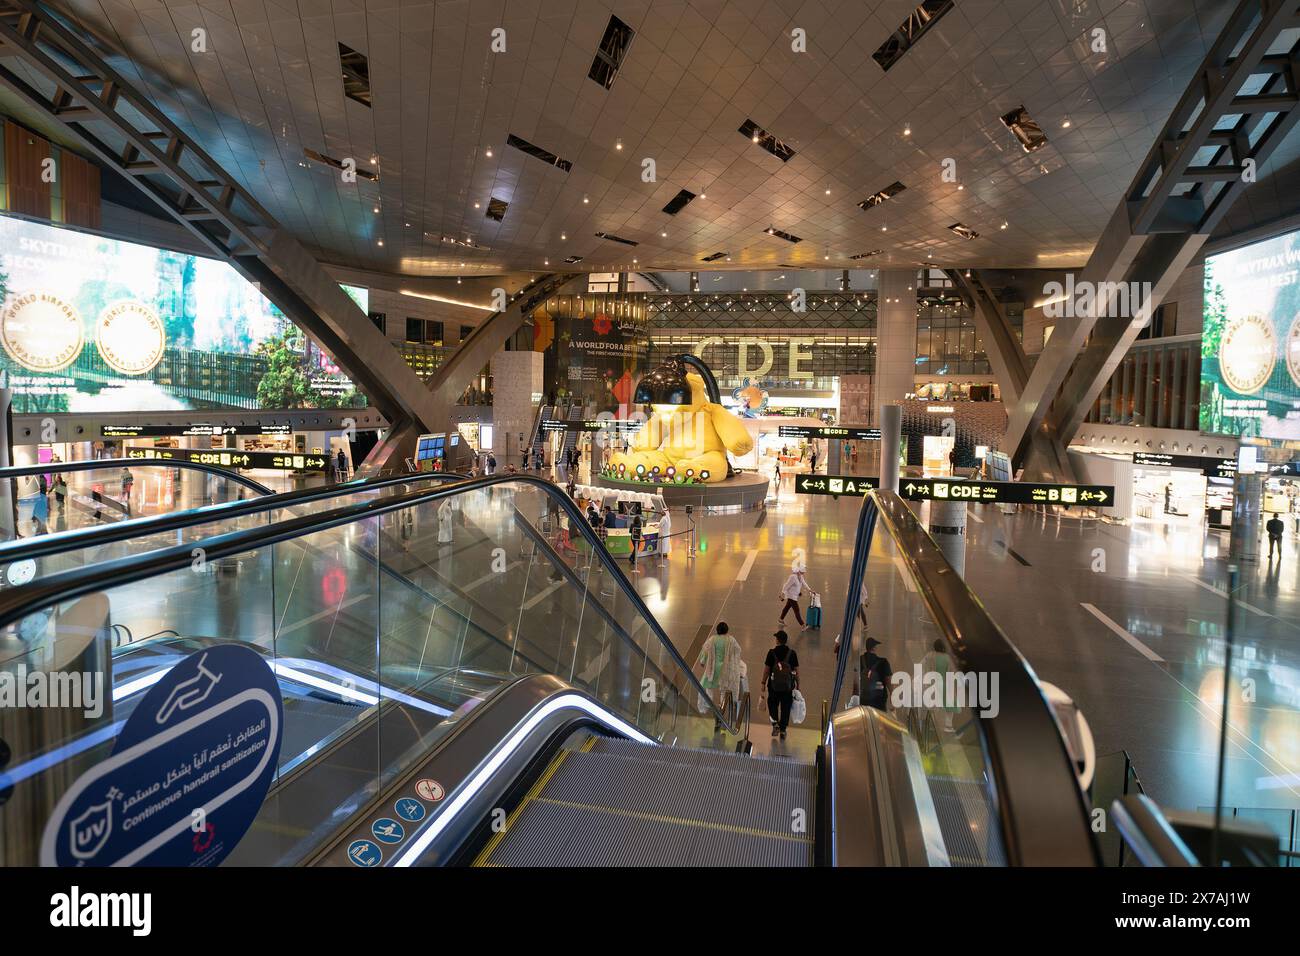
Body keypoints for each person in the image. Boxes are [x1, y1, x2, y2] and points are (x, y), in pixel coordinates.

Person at [695, 622, 742, 732]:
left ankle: (709, 703)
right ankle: (722, 708)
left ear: (717, 630)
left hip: (713, 668)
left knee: (707, 685)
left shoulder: (712, 639)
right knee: (723, 690)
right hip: (725, 669)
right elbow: (738, 650)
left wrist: (702, 661)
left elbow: (705, 650)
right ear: (727, 630)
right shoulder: (731, 640)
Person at [761, 630, 799, 740]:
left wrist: (763, 682)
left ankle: (775, 724)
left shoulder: (771, 652)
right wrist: (798, 685)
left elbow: (767, 670)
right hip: (788, 687)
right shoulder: (792, 653)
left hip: (773, 686)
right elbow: (796, 671)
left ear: (777, 640)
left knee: (772, 704)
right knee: (786, 707)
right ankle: (783, 730)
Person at [858, 637, 893, 712]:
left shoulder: (860, 660)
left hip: (864, 700)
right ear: (874, 648)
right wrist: (892, 695)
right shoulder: (883, 662)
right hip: (879, 701)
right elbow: (888, 681)